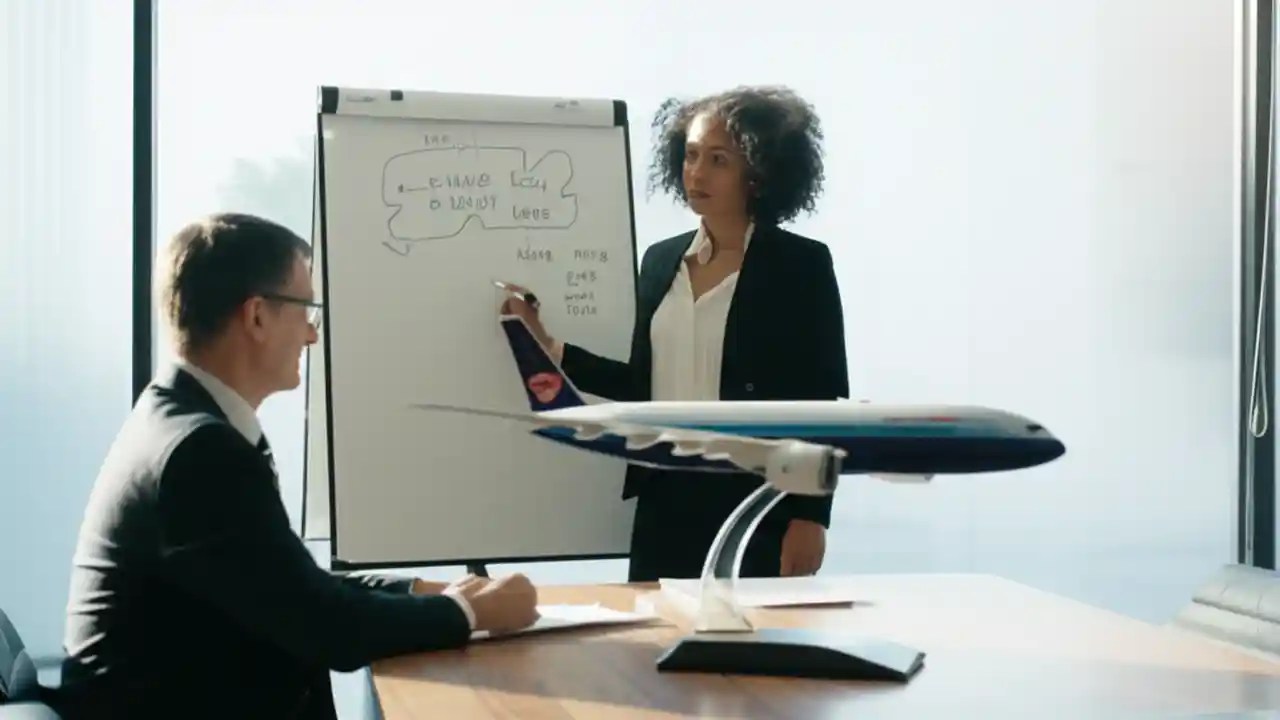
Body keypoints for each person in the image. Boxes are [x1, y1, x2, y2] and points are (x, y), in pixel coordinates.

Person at [57, 213, 539, 719]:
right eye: (306, 310)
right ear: (257, 317)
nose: (312, 334)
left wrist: (426, 591)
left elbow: (288, 584)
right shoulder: (199, 451)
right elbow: (327, 628)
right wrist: (469, 613)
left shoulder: (177, 420)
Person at [502, 85, 849, 582]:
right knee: (652, 650)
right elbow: (643, 388)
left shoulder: (801, 265)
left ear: (759, 171)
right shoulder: (660, 260)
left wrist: (810, 517)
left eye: (719, 159)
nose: (697, 173)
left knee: (748, 653)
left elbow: (820, 401)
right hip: (663, 496)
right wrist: (547, 346)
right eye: (690, 155)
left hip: (754, 501)